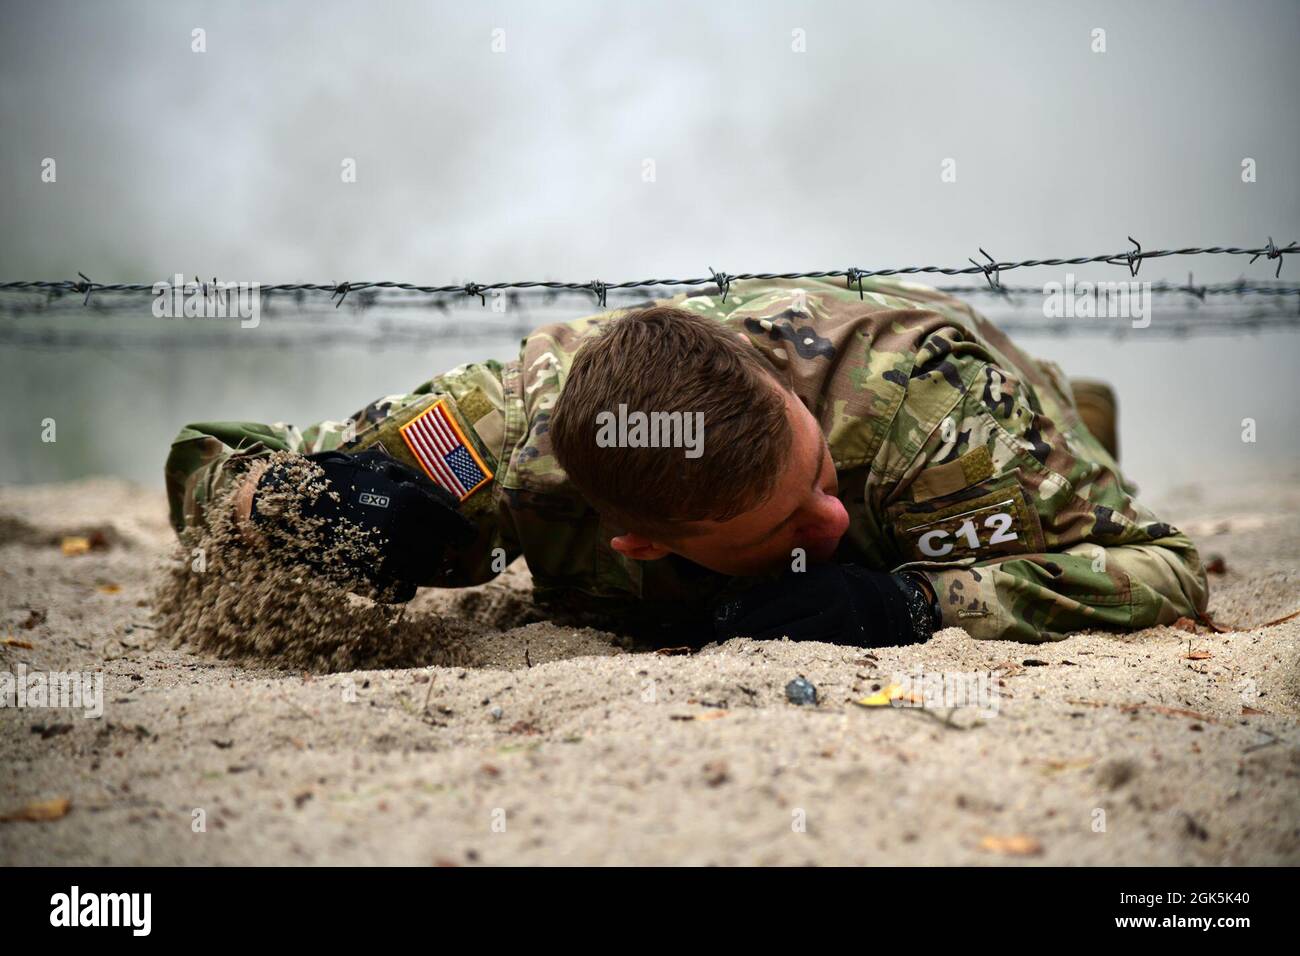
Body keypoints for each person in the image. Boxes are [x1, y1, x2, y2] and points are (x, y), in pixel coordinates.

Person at [165, 276, 1208, 646]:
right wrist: (297, 505)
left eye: (816, 479)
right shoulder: (508, 437)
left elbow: (1162, 569)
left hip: (982, 430)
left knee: (1031, 454)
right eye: (780, 527)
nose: (826, 524)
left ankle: (1074, 408)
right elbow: (210, 463)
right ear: (638, 540)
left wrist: (920, 608)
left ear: (771, 388)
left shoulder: (934, 412)